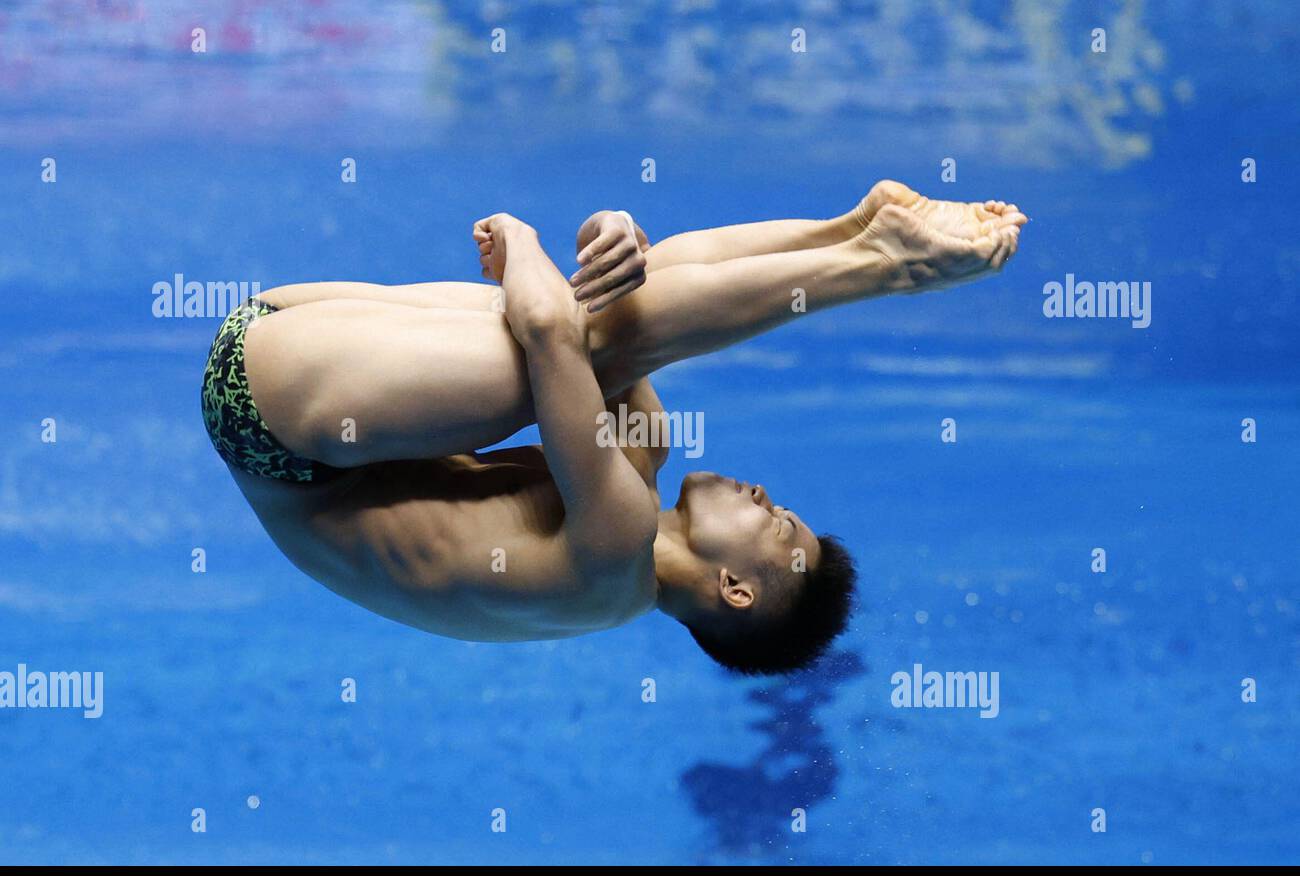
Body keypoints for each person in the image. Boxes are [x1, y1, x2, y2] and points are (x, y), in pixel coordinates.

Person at [200, 180, 1025, 673]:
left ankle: (887, 264)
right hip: (296, 361)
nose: (770, 497)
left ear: (734, 590)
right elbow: (618, 296)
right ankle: (848, 230)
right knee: (616, 326)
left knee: (586, 344)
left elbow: (559, 327)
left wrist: (522, 239)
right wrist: (616, 234)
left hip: (272, 416)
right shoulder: (635, 477)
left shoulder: (610, 556)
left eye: (781, 529)